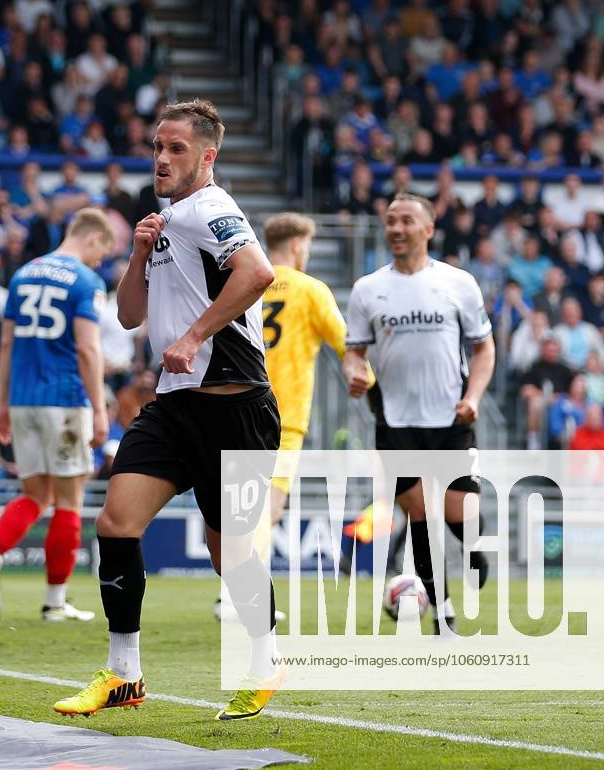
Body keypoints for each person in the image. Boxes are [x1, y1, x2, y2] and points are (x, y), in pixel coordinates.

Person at [52, 100, 282, 722]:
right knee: (115, 524)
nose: (161, 157)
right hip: (174, 407)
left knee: (227, 550)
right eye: (158, 145)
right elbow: (129, 315)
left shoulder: (213, 208)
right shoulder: (167, 219)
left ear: (207, 157)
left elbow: (258, 272)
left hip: (235, 406)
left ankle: (266, 656)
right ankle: (123, 674)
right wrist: (137, 251)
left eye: (177, 148)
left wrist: (195, 336)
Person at [344, 193, 496, 634]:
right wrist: (355, 372)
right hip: (395, 423)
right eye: (391, 221)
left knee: (458, 515)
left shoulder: (458, 283)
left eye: (407, 220)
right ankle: (443, 610)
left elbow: (484, 348)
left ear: (428, 229)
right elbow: (353, 352)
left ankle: (474, 551)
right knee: (420, 515)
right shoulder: (367, 289)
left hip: (452, 420)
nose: (396, 228)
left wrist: (476, 396)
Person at [213, 212, 372, 621]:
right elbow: (346, 342)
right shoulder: (309, 289)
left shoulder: (247, 279)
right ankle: (239, 597)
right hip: (282, 415)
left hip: (234, 402)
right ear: (299, 245)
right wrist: (368, 378)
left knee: (239, 505)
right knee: (267, 506)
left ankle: (228, 593)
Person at [0, 208, 114, 623]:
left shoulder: (23, 274)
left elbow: (7, 346)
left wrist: (3, 403)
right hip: (65, 400)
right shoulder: (87, 281)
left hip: (24, 400)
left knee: (36, 494)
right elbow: (87, 349)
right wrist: (100, 410)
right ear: (92, 238)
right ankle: (55, 602)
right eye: (101, 252)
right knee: (69, 500)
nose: (99, 261)